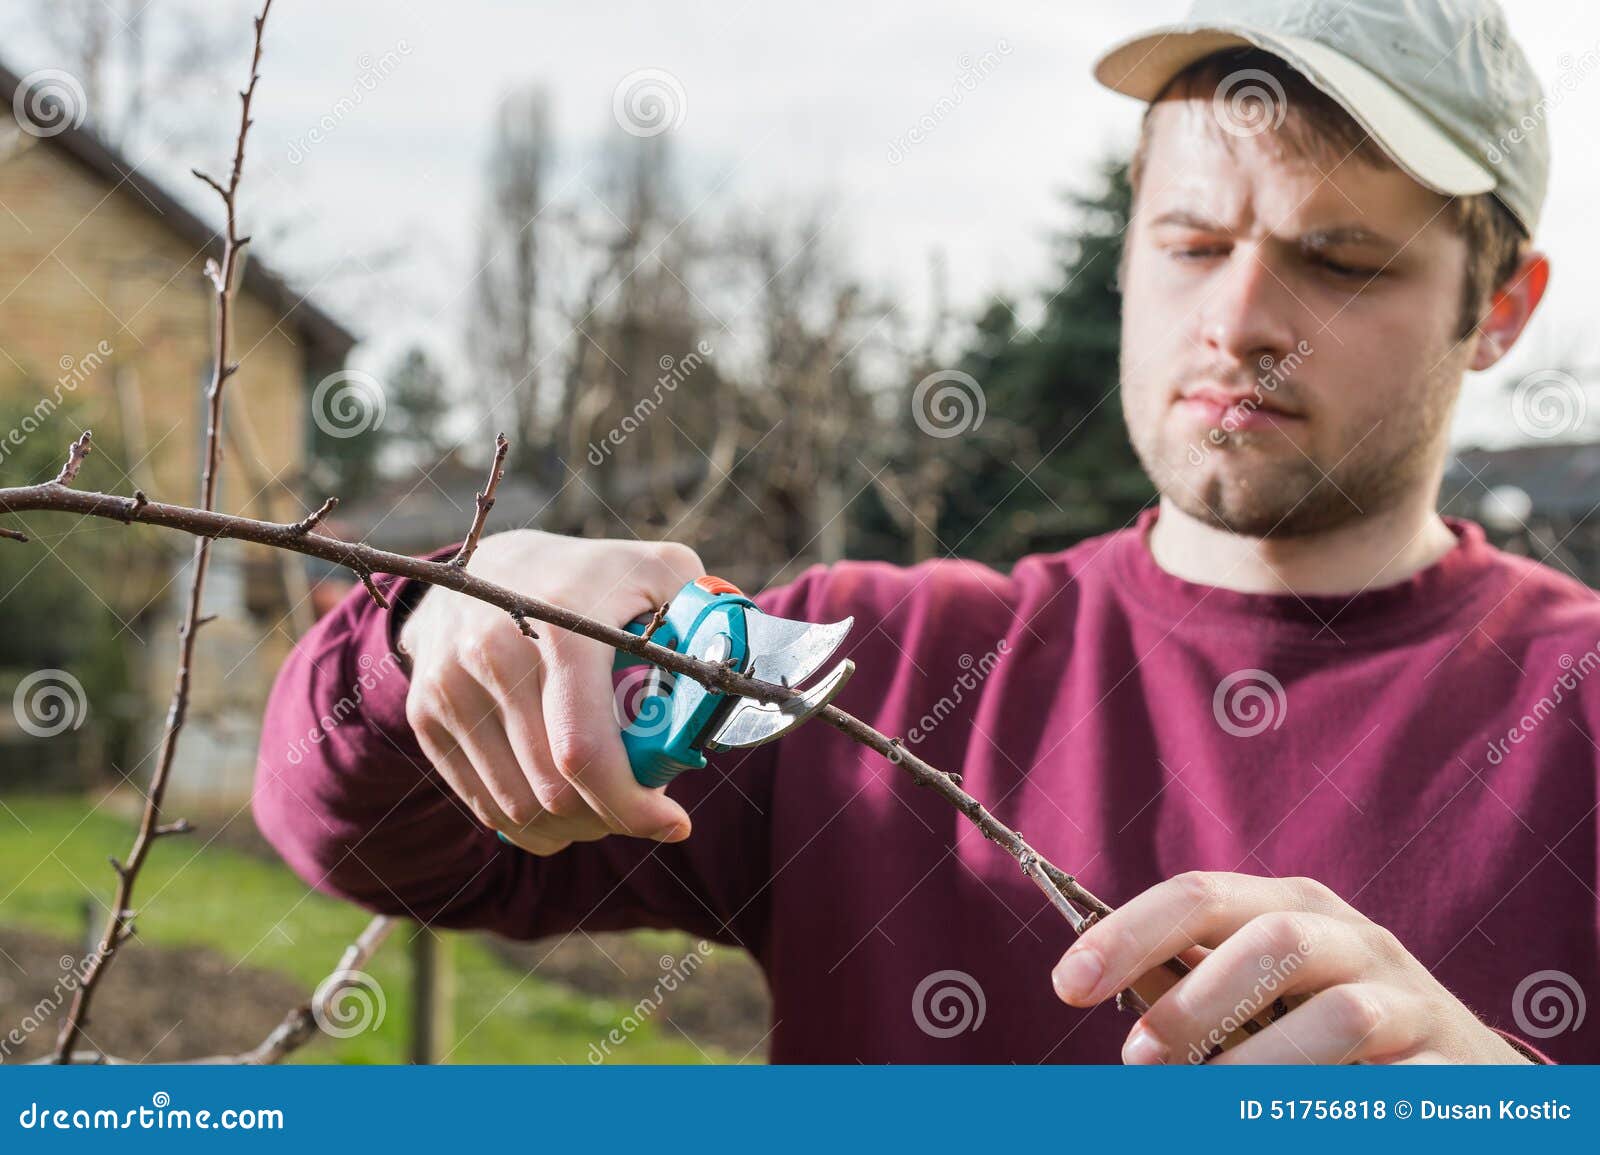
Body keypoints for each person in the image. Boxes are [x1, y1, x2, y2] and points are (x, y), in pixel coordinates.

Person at [254, 0, 1595, 1064]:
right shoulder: (869, 666)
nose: (1240, 318)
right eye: (1189, 241)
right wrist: (439, 623)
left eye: (1341, 260)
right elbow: (350, 830)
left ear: (1502, 308)